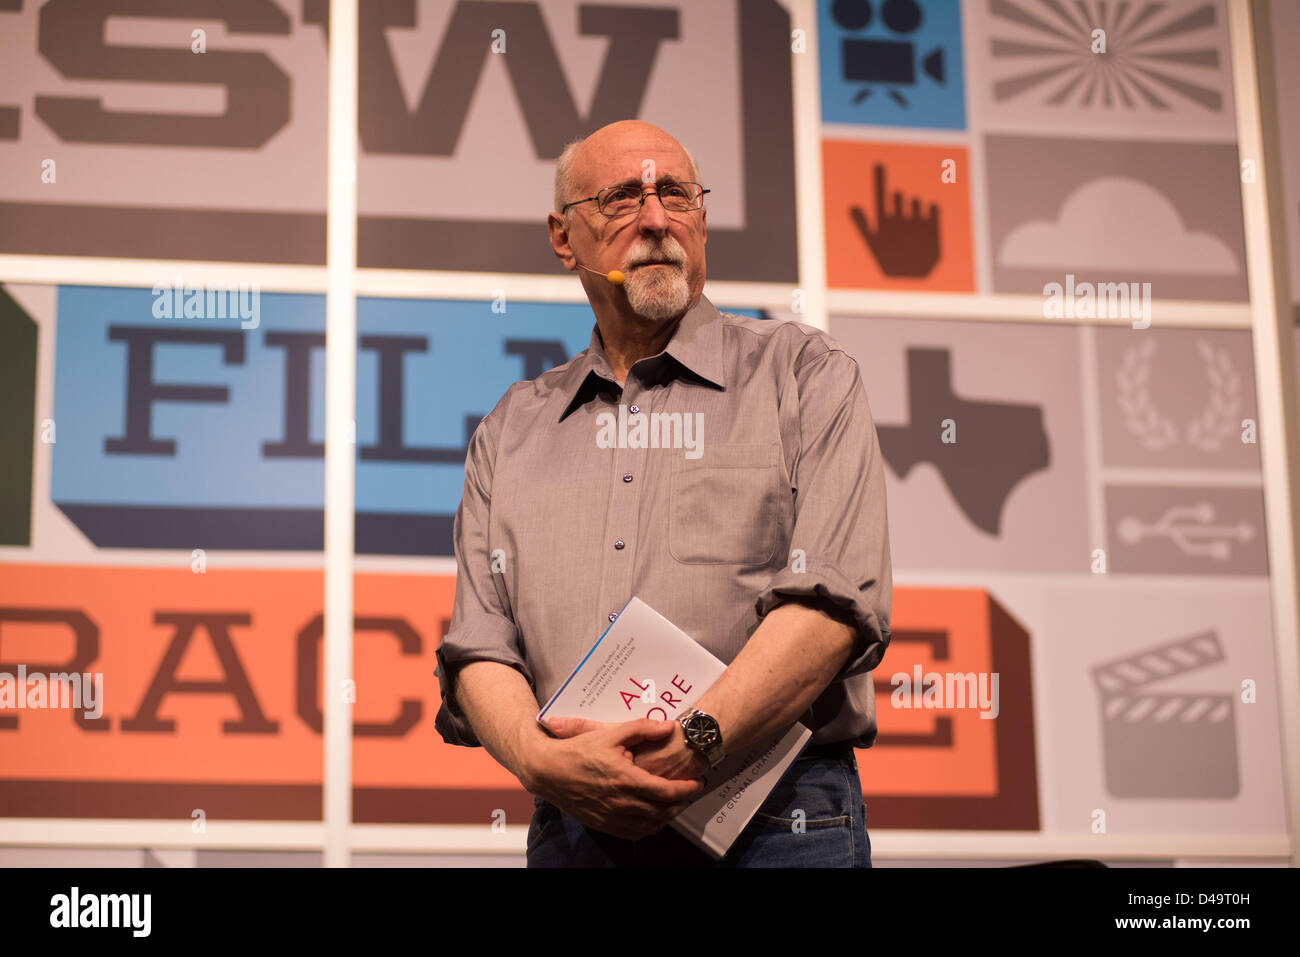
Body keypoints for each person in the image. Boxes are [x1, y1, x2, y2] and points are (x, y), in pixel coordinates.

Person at [434, 119, 892, 867]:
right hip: (578, 825)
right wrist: (539, 762)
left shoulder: (804, 374)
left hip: (779, 822)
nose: (655, 220)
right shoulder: (511, 429)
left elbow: (834, 604)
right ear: (563, 237)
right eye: (622, 198)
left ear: (702, 219)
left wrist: (694, 744)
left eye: (676, 195)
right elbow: (481, 645)